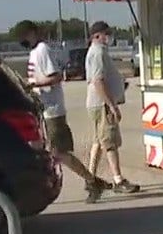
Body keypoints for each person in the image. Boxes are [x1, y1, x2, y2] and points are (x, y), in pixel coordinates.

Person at [17, 21, 111, 202]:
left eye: (24, 36)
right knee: (52, 153)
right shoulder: (35, 52)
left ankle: (92, 181)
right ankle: (89, 181)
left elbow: (56, 76)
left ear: (32, 33)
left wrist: (33, 85)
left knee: (59, 153)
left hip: (53, 111)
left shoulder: (43, 50)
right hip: (44, 110)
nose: (23, 40)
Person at [85, 21, 140, 198]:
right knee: (109, 142)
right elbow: (98, 81)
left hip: (96, 103)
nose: (109, 36)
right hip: (102, 105)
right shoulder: (98, 52)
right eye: (106, 33)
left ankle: (90, 178)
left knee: (98, 142)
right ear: (97, 35)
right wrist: (112, 105)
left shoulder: (95, 52)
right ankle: (118, 180)